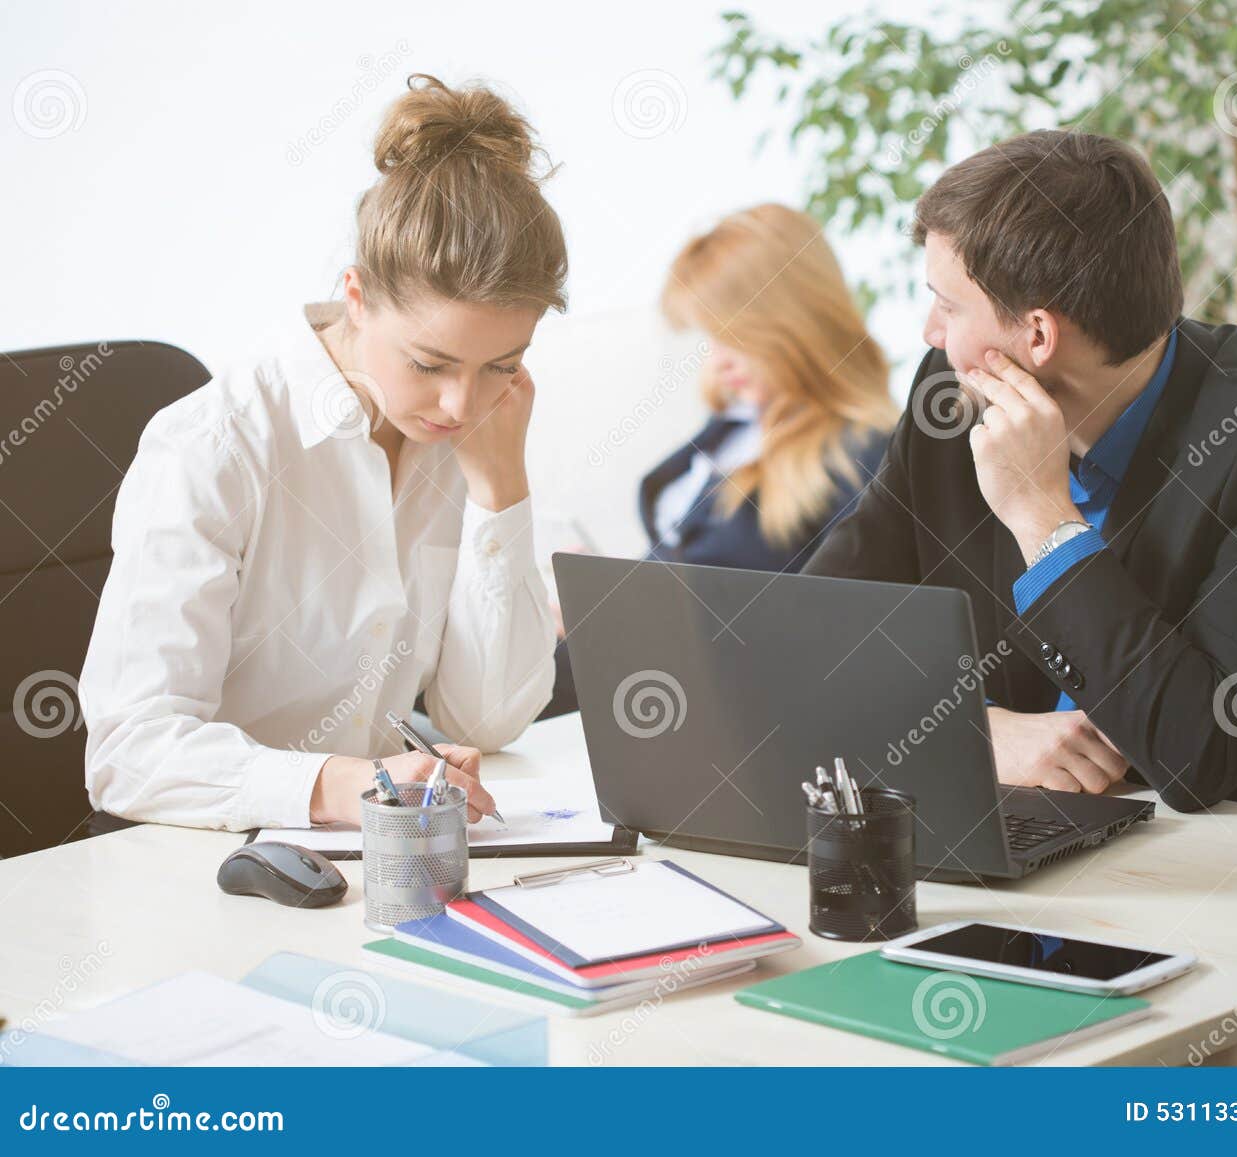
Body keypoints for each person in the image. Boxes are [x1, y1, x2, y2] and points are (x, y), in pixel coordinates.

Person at [804, 131, 1237, 820]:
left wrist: (1044, 517)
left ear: (1037, 337)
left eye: (947, 305)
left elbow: (1202, 754)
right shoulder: (953, 400)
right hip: (999, 847)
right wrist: (974, 735)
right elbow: (813, 635)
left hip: (1219, 876)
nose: (930, 332)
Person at [80, 74, 565, 831]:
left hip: (387, 862)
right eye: (430, 363)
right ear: (357, 296)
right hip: (208, 864)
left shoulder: (474, 436)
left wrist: (501, 487)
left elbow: (492, 718)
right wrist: (355, 783)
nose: (460, 405)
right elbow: (130, 750)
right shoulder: (217, 445)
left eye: (502, 363)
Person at [539, 204, 896, 717]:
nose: (719, 359)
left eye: (735, 335)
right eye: (713, 337)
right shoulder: (734, 425)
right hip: (617, 655)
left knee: (467, 709)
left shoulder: (862, 451)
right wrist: (605, 594)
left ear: (796, 323)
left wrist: (633, 610)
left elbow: (834, 637)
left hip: (695, 695)